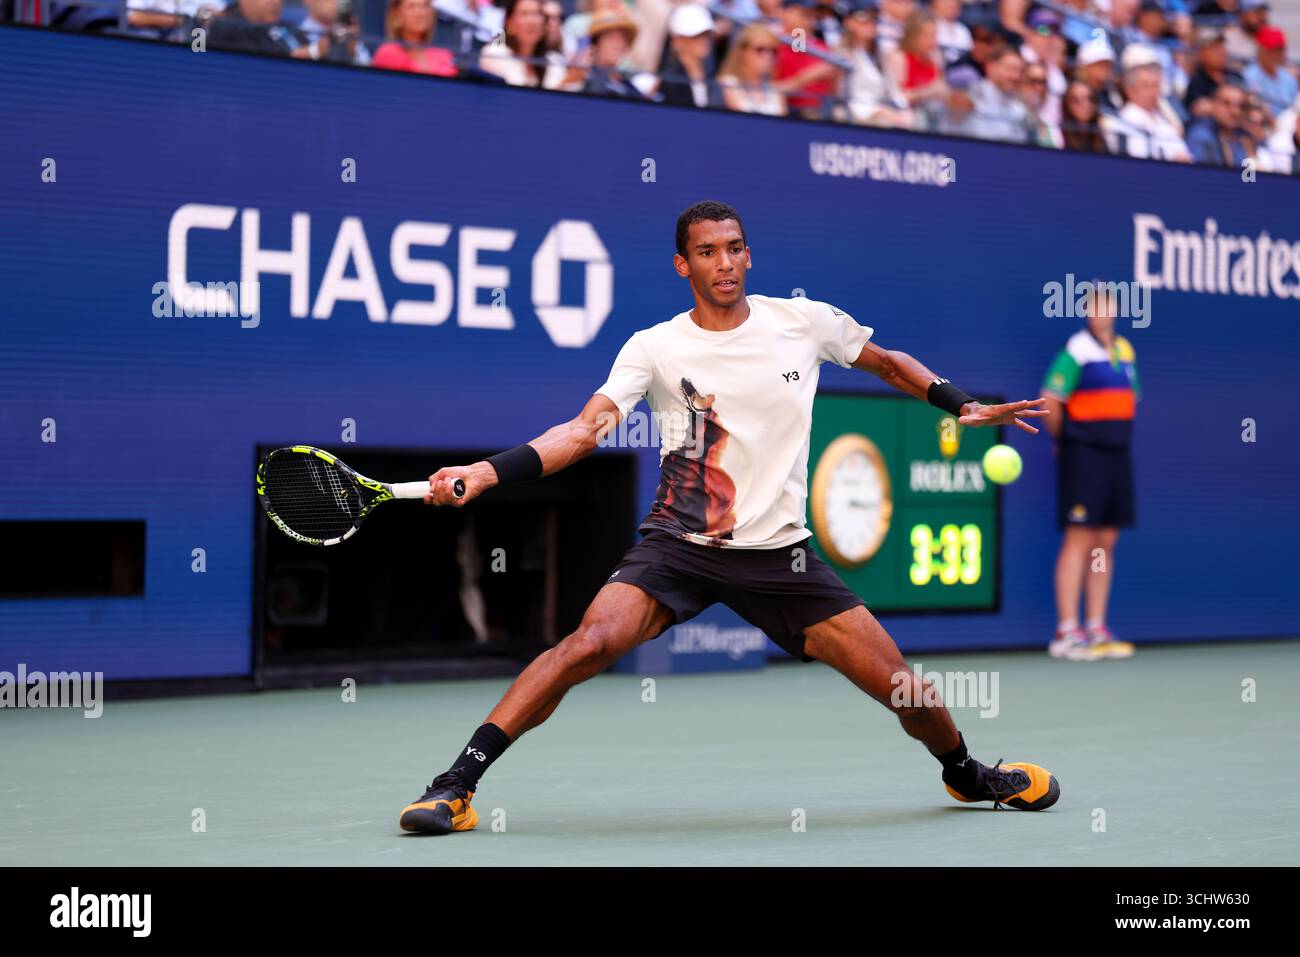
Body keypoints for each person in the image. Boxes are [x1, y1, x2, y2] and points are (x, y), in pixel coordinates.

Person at [397, 200, 1061, 834]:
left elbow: (888, 364)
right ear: (683, 265)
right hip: (678, 544)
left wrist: (959, 403)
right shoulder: (653, 345)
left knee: (903, 689)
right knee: (588, 644)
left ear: (749, 254)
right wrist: (486, 471)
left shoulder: (804, 322)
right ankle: (456, 784)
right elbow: (583, 430)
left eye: (735, 248)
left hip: (780, 555)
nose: (726, 263)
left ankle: (967, 773)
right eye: (707, 252)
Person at [1042, 286, 1140, 662]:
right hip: (1082, 456)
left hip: (1117, 454)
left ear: (1115, 310)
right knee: (1079, 538)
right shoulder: (1075, 350)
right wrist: (1068, 441)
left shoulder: (1125, 351)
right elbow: (1051, 398)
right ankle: (1067, 631)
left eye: (1107, 305)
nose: (1101, 311)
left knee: (1106, 540)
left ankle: (1096, 626)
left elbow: (1131, 399)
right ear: (1086, 312)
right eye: (1094, 305)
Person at [839, 0, 912, 127]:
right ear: (849, 22)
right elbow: (848, 97)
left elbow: (893, 90)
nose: (870, 24)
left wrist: (904, 109)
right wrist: (879, 111)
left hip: (885, 117)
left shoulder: (880, 55)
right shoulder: (842, 54)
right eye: (864, 19)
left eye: (874, 19)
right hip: (857, 120)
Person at [480, 0, 569, 88]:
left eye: (537, 14)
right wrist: (568, 80)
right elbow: (518, 93)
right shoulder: (495, 54)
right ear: (509, 22)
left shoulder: (554, 61)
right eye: (524, 14)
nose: (532, 22)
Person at [658, 4, 721, 109]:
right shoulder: (669, 81)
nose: (704, 41)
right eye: (696, 36)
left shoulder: (711, 77)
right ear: (677, 40)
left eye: (707, 35)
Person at [716, 22, 787, 115]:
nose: (768, 56)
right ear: (743, 52)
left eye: (773, 51)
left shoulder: (775, 91)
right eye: (760, 49)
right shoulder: (728, 84)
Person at [372, 0, 457, 75]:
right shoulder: (387, 54)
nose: (420, 13)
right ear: (397, 13)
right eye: (411, 6)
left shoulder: (444, 55)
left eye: (425, 5)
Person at [582, 10, 644, 98]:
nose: (618, 45)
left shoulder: (630, 88)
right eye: (611, 38)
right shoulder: (583, 81)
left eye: (622, 39)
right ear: (594, 45)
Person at [1186, 81, 1250, 166]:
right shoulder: (1200, 136)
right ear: (1213, 105)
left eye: (1241, 106)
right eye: (1226, 104)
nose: (1235, 111)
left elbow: (1248, 177)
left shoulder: (1244, 140)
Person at [1242, 26, 1297, 118]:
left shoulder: (1288, 78)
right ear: (1261, 51)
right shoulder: (1248, 76)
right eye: (1272, 51)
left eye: (1280, 50)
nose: (1277, 55)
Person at [1061, 80, 1109, 153]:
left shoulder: (1103, 136)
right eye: (1077, 100)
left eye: (1091, 99)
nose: (1086, 105)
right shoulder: (1057, 137)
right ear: (1066, 104)